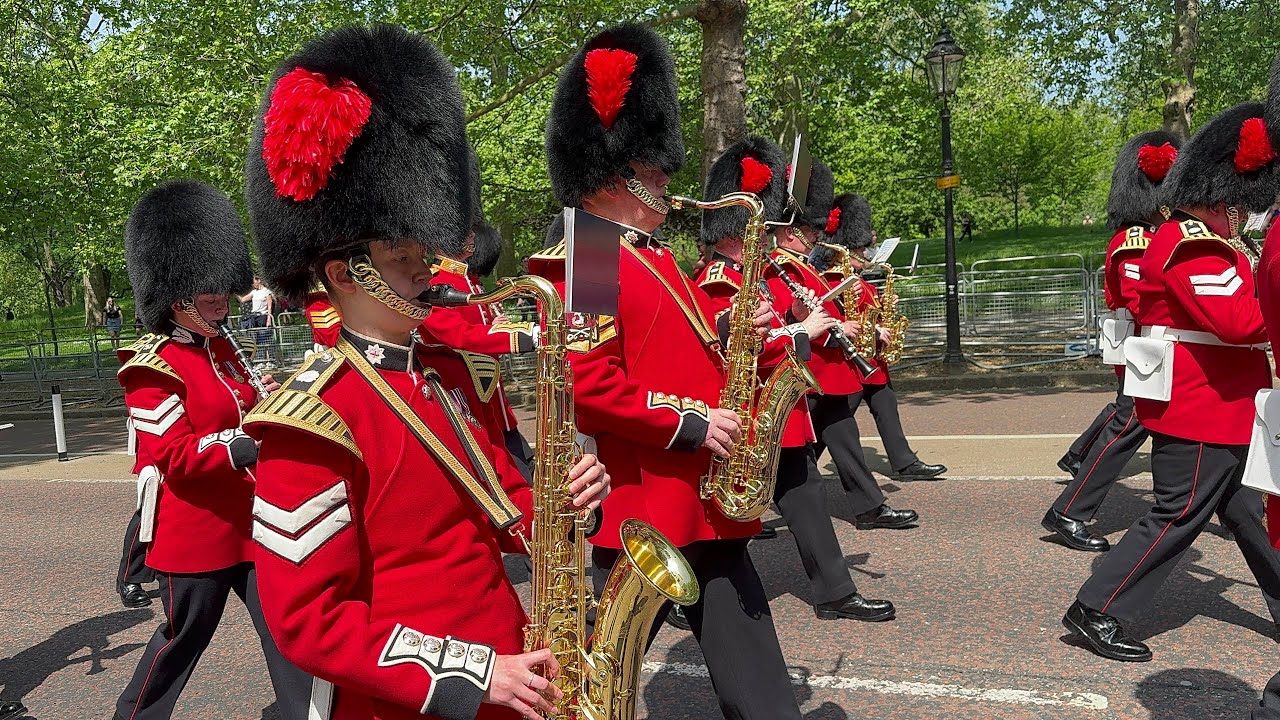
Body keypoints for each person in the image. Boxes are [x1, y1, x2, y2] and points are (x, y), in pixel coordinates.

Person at [242, 25, 608, 720]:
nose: (424, 263)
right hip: (414, 700)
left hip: (513, 671)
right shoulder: (311, 419)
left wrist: (565, 503)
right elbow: (307, 622)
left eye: (424, 242)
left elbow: (501, 508)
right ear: (343, 271)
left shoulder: (441, 378)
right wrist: (474, 674)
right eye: (398, 248)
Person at [529, 23, 807, 718]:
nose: (666, 183)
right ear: (615, 174)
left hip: (697, 496)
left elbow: (661, 347)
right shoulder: (589, 252)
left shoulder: (648, 252)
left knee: (750, 661)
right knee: (597, 675)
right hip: (646, 501)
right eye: (655, 171)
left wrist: (730, 334)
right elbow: (590, 388)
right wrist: (690, 423)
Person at [1063, 100, 1280, 663]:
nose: (1241, 215)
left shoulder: (1204, 241)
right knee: (1178, 512)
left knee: (1247, 517)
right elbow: (1240, 323)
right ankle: (1098, 608)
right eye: (1235, 204)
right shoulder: (1193, 247)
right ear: (1213, 196)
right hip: (1200, 407)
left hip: (1225, 407)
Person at [111, 180, 312, 720]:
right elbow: (172, 457)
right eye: (206, 289)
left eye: (220, 285)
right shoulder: (149, 369)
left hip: (252, 524)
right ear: (174, 295)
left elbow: (239, 406)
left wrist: (268, 403)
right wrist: (246, 441)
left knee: (287, 630)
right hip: (196, 536)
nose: (220, 296)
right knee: (181, 642)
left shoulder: (223, 345)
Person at [695, 135, 895, 623]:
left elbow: (775, 326)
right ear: (735, 229)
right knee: (720, 515)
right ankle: (687, 593)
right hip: (746, 412)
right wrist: (802, 332)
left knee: (803, 493)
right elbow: (736, 347)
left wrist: (802, 320)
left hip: (781, 413)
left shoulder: (756, 275)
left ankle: (835, 592)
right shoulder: (718, 280)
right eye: (757, 228)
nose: (766, 236)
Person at [1042, 131, 1179, 552]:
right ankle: (1070, 512)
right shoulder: (1135, 240)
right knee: (1129, 425)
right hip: (1146, 350)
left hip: (1159, 349)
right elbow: (1144, 304)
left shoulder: (1156, 234)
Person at [769, 187, 920, 531]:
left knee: (836, 436)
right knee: (803, 449)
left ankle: (869, 507)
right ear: (790, 232)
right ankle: (768, 500)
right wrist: (839, 322)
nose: (815, 237)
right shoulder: (781, 267)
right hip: (815, 366)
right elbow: (792, 317)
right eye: (809, 231)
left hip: (830, 367)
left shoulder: (800, 267)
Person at [419, 148, 538, 479]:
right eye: (465, 229)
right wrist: (523, 336)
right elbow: (459, 336)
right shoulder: (436, 284)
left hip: (497, 409)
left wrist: (502, 326)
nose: (472, 235)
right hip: (465, 406)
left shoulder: (467, 282)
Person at [824, 192, 948, 482]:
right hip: (851, 360)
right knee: (831, 422)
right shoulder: (834, 278)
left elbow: (869, 310)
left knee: (885, 404)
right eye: (860, 248)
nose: (866, 253)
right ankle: (795, 471)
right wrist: (875, 328)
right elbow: (838, 317)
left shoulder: (859, 279)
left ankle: (904, 462)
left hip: (871, 359)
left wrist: (885, 312)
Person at [238, 276, 274, 363]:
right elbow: (243, 299)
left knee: (265, 338)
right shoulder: (254, 292)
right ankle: (261, 360)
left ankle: (270, 360)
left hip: (263, 316)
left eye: (254, 281)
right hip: (254, 317)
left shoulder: (267, 292)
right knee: (256, 339)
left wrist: (269, 319)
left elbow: (270, 306)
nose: (253, 284)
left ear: (259, 281)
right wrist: (234, 292)